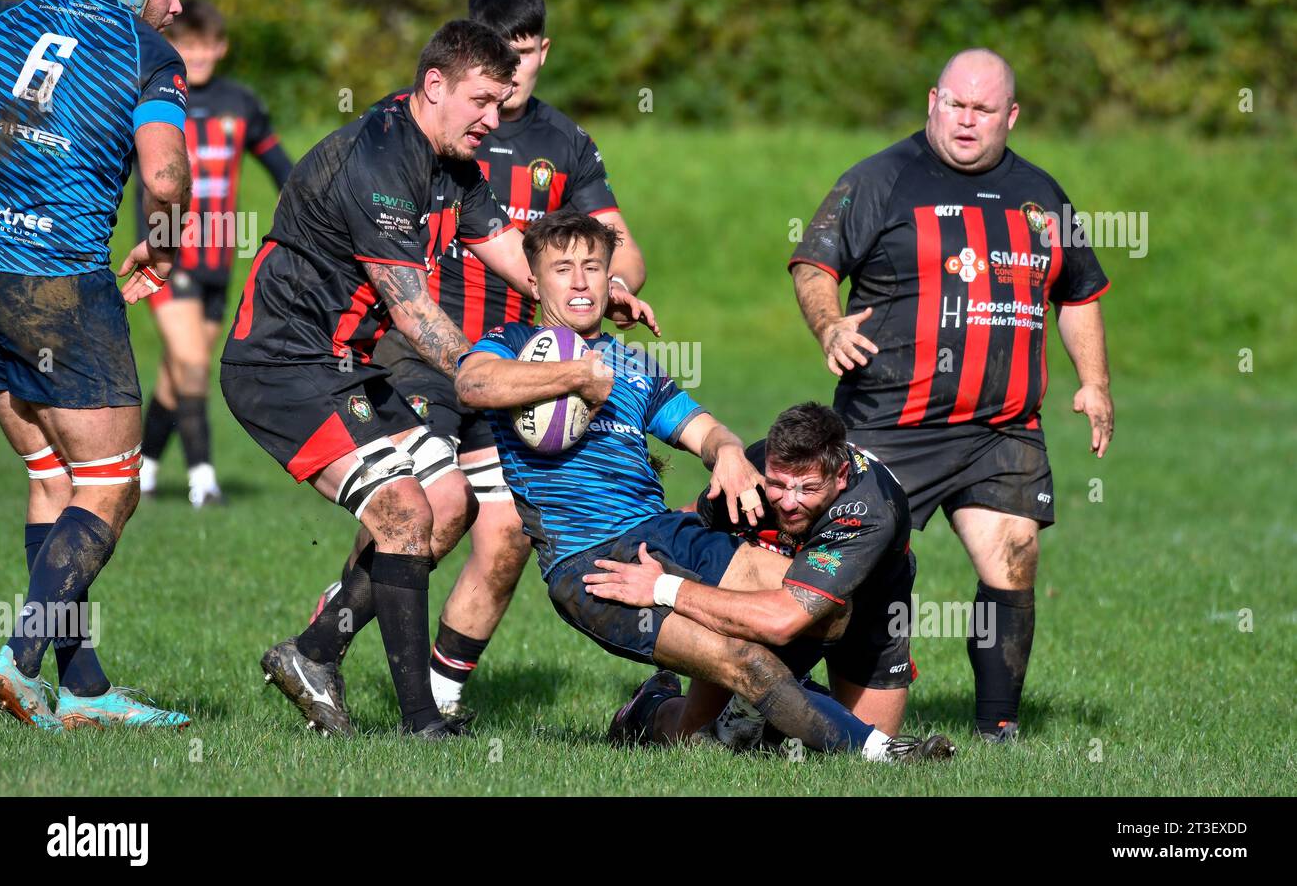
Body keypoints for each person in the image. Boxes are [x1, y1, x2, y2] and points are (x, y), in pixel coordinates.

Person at [455, 208, 954, 761]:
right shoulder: (513, 345)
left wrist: (730, 453)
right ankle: (883, 753)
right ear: (533, 280)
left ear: (608, 277)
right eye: (563, 268)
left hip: (665, 533)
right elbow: (471, 383)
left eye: (593, 267)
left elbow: (703, 428)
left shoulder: (633, 364)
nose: (579, 281)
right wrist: (578, 375)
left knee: (830, 608)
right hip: (591, 562)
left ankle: (733, 715)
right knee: (745, 659)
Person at [313, 0, 655, 726]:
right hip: (418, 350)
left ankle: (435, 693)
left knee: (505, 533)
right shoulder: (423, 129)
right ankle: (330, 643)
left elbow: (620, 250)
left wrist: (609, 285)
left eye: (530, 55)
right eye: (506, 59)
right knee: (433, 511)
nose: (519, 73)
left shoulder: (564, 143)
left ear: (543, 52)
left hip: (513, 365)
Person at [221, 20, 552, 741]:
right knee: (403, 514)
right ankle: (420, 726)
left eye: (502, 103)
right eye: (482, 101)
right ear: (433, 85)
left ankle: (312, 654)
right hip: (281, 362)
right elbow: (412, 307)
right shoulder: (380, 161)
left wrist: (588, 294)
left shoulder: (452, 165)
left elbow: (518, 260)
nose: (494, 120)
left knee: (449, 499)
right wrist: (480, 371)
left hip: (344, 367)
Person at [788, 48, 1114, 741]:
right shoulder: (881, 178)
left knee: (1016, 551)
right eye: (956, 106)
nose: (967, 121)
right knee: (860, 571)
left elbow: (1079, 293)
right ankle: (783, 695)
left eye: (984, 110)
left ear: (1011, 116)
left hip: (1001, 430)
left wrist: (1095, 383)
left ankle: (998, 728)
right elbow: (814, 262)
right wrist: (828, 323)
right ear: (934, 101)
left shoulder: (1042, 194)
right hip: (889, 421)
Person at [0, 0, 193, 730]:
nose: (178, 4)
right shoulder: (147, 50)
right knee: (112, 484)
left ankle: (82, 694)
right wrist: (168, 237)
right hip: (61, 284)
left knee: (54, 478)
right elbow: (165, 174)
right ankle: (17, 657)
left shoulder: (10, 21)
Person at [588, 402, 918, 743]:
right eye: (778, 484)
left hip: (869, 607)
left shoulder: (872, 511)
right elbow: (692, 523)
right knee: (693, 735)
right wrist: (634, 547)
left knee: (863, 745)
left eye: (807, 489)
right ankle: (650, 705)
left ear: (841, 476)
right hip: (774, 598)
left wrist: (663, 587)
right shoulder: (757, 469)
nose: (789, 502)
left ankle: (775, 708)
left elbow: (783, 619)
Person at [136, 0, 293, 507]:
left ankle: (144, 468)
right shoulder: (155, 94)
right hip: (168, 252)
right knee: (192, 363)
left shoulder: (241, 103)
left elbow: (281, 168)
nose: (197, 55)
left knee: (176, 373)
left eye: (206, 46)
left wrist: (309, 216)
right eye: (187, 45)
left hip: (218, 260)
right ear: (171, 44)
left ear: (220, 48)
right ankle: (203, 479)